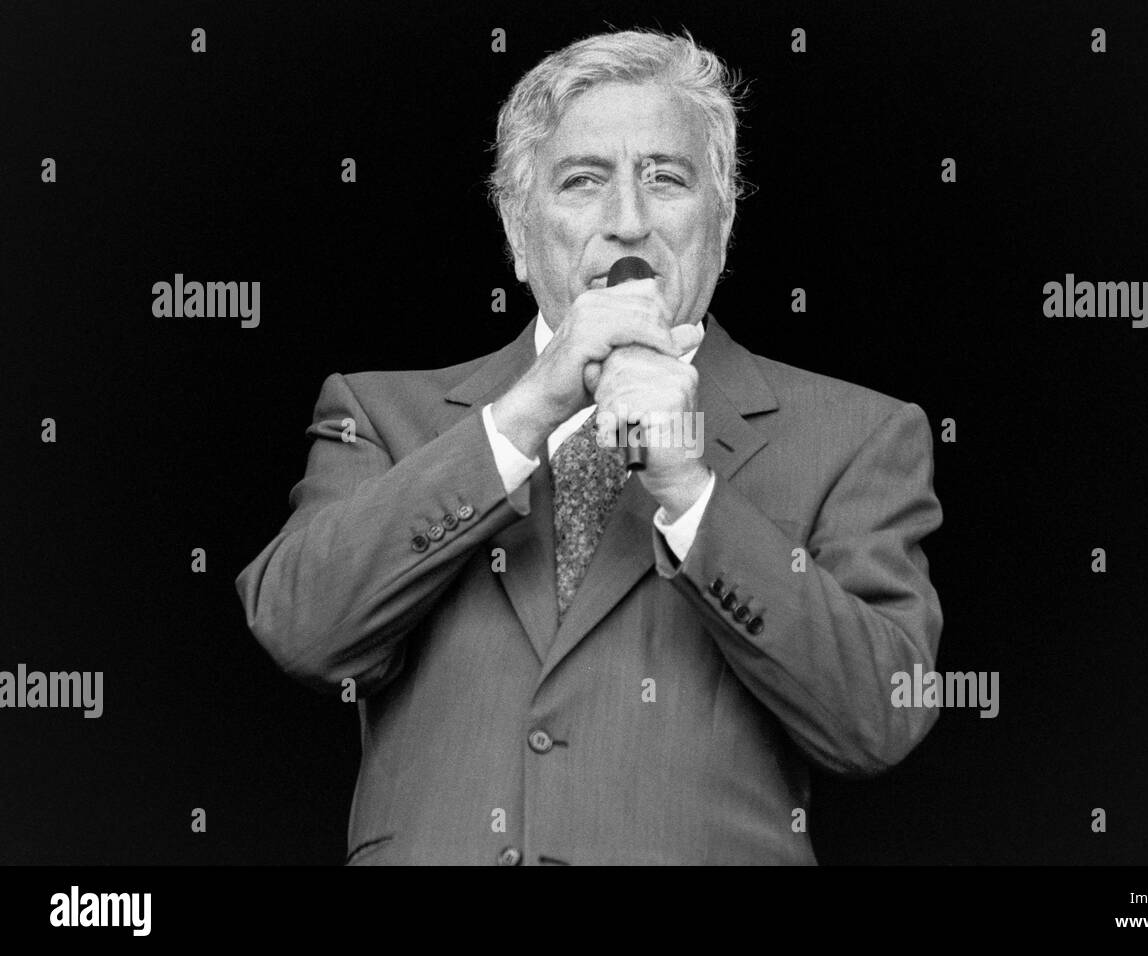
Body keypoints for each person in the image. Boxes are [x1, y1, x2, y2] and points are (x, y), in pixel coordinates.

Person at [236, 28, 943, 865]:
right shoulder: (380, 413)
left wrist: (691, 494)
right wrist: (526, 412)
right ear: (517, 226)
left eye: (667, 178)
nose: (629, 222)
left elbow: (880, 718)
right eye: (583, 181)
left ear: (722, 219)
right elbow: (303, 631)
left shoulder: (856, 434)